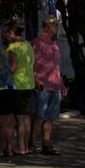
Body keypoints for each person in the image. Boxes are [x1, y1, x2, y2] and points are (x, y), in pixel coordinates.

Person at [31, 18, 66, 155]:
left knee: (50, 117)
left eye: (57, 25)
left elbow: (56, 67)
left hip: (55, 85)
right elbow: (32, 64)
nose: (56, 27)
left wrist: (62, 84)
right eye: (54, 25)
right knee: (39, 116)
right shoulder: (38, 42)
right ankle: (32, 143)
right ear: (46, 26)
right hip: (43, 85)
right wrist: (36, 80)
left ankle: (47, 143)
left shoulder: (54, 44)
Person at [4, 24, 37, 155]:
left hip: (17, 84)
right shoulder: (28, 45)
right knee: (26, 117)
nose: (5, 36)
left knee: (19, 118)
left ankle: (21, 147)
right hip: (29, 83)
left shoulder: (13, 48)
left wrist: (3, 73)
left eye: (7, 33)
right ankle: (26, 147)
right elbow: (32, 64)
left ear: (12, 32)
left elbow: (13, 67)